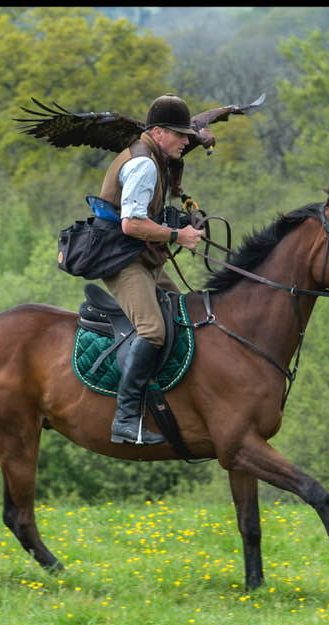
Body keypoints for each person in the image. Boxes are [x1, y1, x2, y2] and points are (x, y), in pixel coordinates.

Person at [99, 94, 204, 445]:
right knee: (153, 330)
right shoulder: (144, 164)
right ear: (158, 132)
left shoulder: (155, 158)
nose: (186, 141)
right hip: (121, 260)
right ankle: (125, 419)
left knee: (183, 314)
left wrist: (182, 221)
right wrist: (178, 235)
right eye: (180, 134)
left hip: (142, 257)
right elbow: (130, 224)